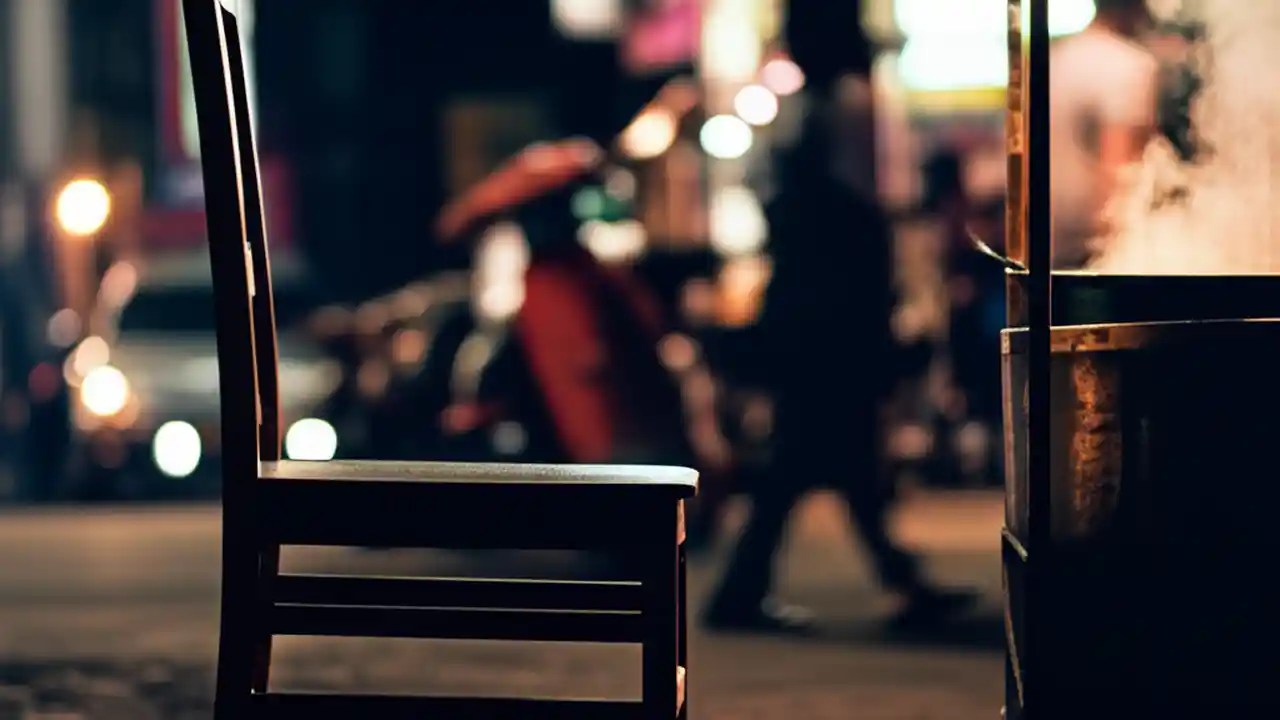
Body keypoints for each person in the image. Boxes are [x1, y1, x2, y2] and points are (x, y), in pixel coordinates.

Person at [702, 92, 974, 633]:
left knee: (828, 482)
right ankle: (743, 596)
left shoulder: (804, 214)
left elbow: (799, 301)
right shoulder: (837, 216)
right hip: (831, 368)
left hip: (817, 367)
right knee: (812, 480)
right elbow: (847, 300)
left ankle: (897, 583)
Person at [1050, 0, 1158, 269]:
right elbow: (1120, 173)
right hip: (1094, 253)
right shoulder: (1128, 65)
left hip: (1048, 245)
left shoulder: (1057, 58)